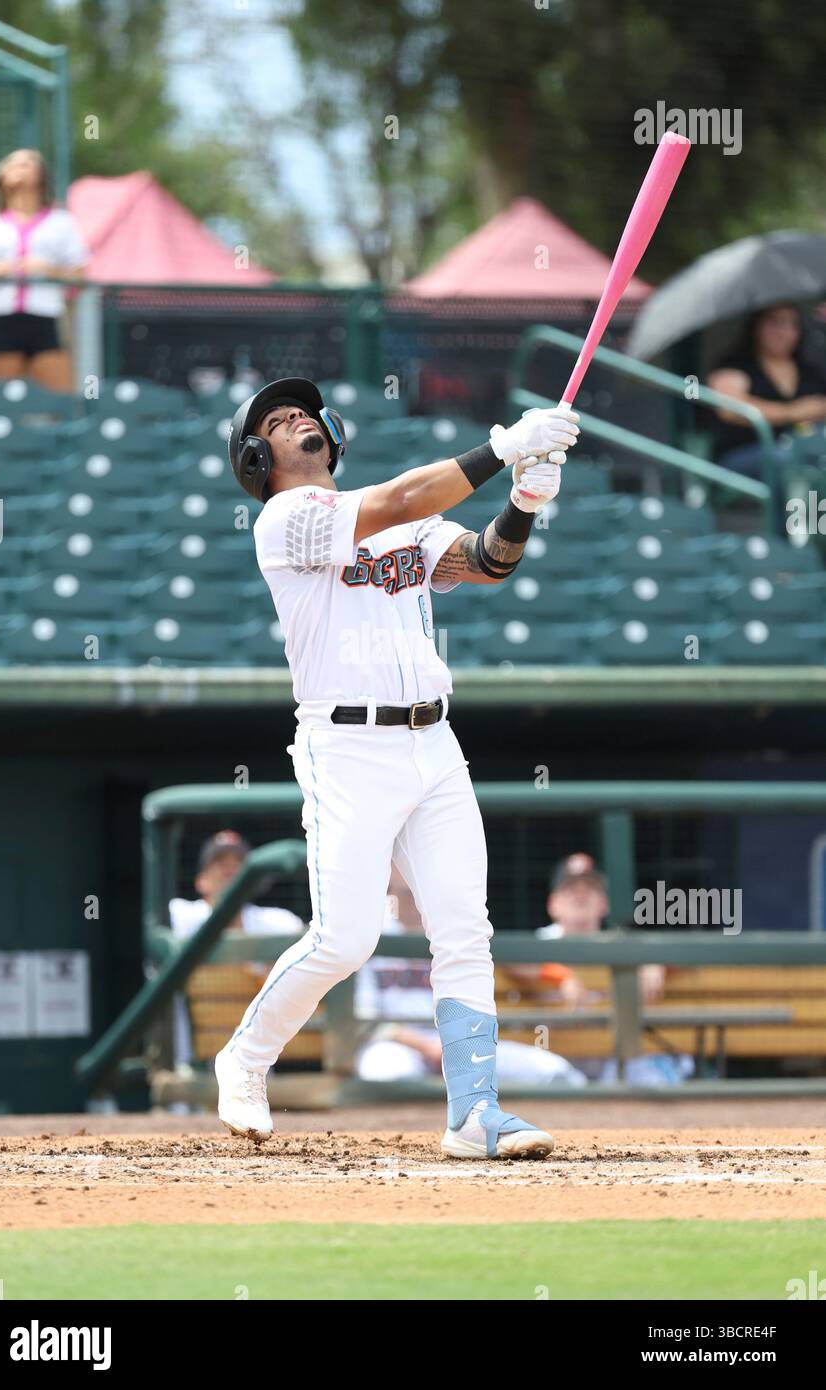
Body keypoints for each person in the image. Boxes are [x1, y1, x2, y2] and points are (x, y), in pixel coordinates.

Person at [214, 375, 580, 1159]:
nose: (296, 420)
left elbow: (487, 564)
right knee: (344, 941)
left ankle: (475, 1114)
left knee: (463, 930)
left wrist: (524, 500)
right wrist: (505, 446)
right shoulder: (287, 518)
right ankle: (245, 1059)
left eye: (304, 412)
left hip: (434, 743)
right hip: (347, 747)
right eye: (276, 422)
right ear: (257, 458)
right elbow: (394, 501)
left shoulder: (405, 522)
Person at [354, 865, 587, 1087]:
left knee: (556, 1073)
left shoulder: (454, 922)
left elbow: (508, 958)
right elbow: (365, 1020)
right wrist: (428, 1047)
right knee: (390, 1077)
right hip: (398, 1046)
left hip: (462, 1045)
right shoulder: (369, 930)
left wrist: (561, 976)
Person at [513, 854, 691, 1086]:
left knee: (655, 1071)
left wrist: (655, 962)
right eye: (570, 888)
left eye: (590, 888)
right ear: (552, 904)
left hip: (610, 1063)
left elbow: (689, 954)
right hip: (553, 1059)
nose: (580, 895)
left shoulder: (619, 943)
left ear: (604, 904)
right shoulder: (542, 940)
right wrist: (560, 976)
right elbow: (502, 955)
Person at [168, 831, 303, 1071]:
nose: (230, 871)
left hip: (254, 1060)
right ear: (201, 881)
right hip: (191, 1057)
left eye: (239, 865)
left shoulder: (275, 921)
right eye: (220, 864)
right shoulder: (182, 915)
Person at [0, 148, 88, 391]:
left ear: (41, 174)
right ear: (1, 176)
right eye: (13, 164)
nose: (19, 168)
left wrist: (48, 270)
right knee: (0, 406)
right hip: (1, 319)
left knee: (62, 403)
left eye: (27, 163)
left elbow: (80, 275)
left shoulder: (62, 221)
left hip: (47, 318)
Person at [706, 304, 826, 475]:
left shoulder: (809, 371)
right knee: (783, 459)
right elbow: (730, 409)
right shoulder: (736, 365)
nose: (783, 332)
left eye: (792, 325)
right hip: (742, 455)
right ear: (756, 326)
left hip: (803, 450)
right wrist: (795, 412)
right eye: (775, 323)